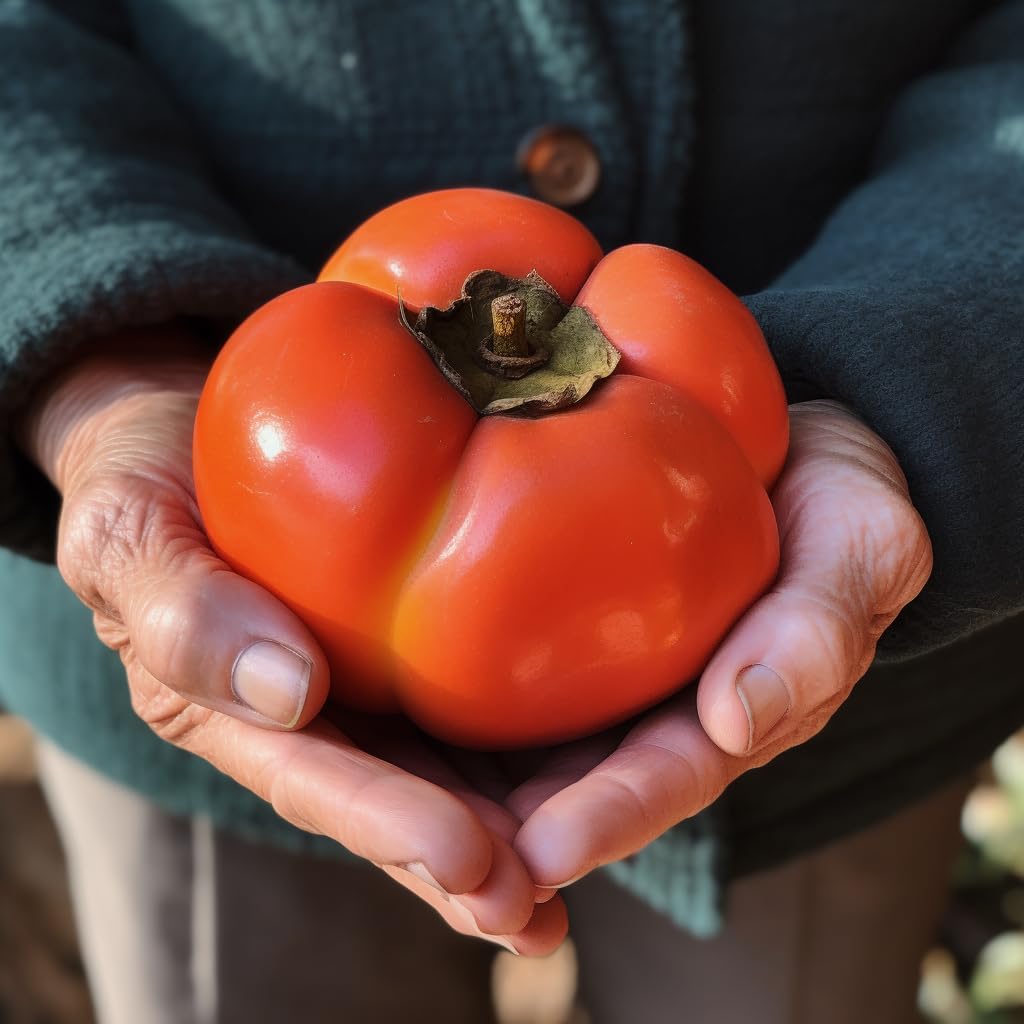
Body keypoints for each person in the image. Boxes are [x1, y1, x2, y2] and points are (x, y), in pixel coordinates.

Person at [1, 0, 1021, 1021]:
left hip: (855, 702)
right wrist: (99, 353)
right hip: (203, 669)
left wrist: (928, 357)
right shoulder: (667, 380)